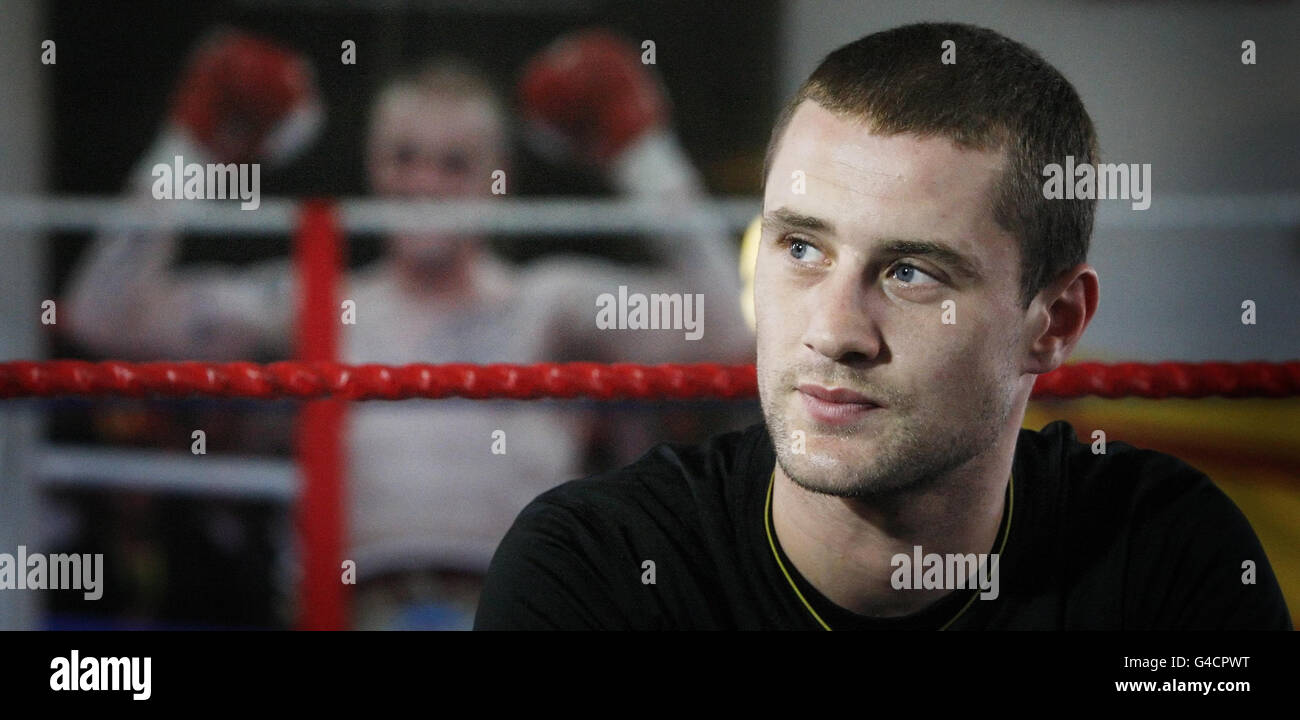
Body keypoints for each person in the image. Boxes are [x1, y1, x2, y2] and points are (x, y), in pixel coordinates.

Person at [474, 22, 1292, 630]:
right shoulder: (599, 571)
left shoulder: (1164, 560)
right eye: (800, 247)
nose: (834, 332)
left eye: (910, 273)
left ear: (1055, 322)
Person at [63, 28, 753, 629]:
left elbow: (729, 331)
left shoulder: (550, 306)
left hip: (526, 609)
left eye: (454, 164)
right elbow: (102, 314)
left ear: (498, 179)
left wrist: (642, 153)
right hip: (351, 612)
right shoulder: (317, 303)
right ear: (373, 170)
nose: (424, 182)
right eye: (403, 157)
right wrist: (188, 146)